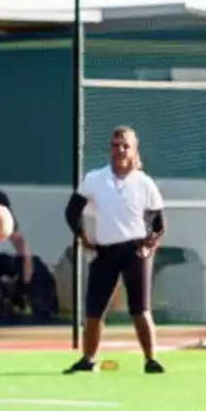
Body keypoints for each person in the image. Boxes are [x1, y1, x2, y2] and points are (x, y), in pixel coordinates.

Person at [63, 126, 166, 374]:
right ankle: (89, 359)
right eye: (115, 145)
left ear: (134, 150)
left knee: (140, 309)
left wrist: (148, 246)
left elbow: (159, 225)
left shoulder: (144, 183)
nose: (119, 150)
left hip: (134, 251)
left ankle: (150, 359)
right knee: (94, 308)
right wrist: (83, 236)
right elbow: (72, 211)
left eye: (125, 145)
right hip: (106, 250)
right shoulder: (95, 179)